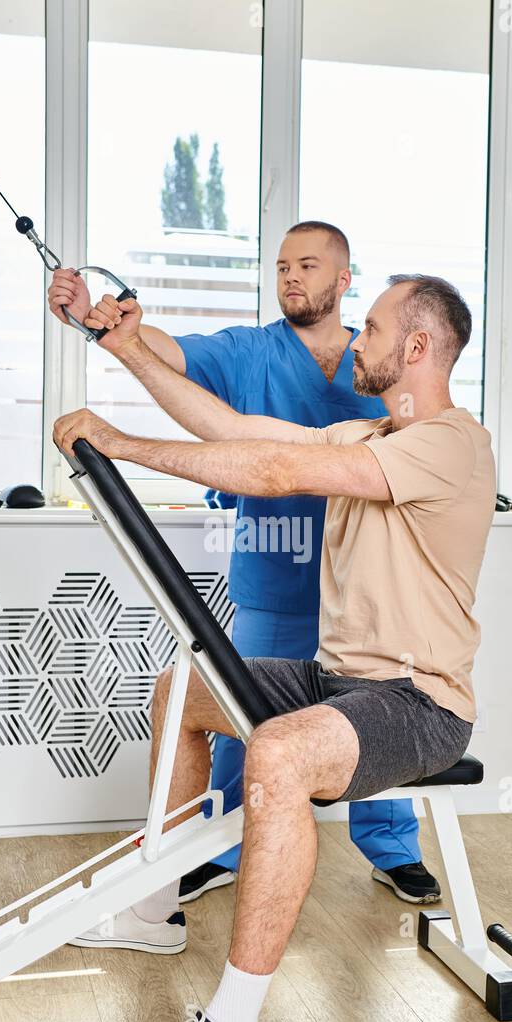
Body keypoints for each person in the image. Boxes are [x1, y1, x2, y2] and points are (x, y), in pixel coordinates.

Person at [53, 273, 495, 1022]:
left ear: (416, 347)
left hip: (420, 701)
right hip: (338, 679)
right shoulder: (368, 431)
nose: (352, 342)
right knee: (186, 687)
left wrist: (125, 446)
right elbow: (232, 428)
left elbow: (280, 468)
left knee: (279, 754)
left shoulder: (450, 443)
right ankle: (154, 908)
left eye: (368, 328)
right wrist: (126, 349)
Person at [48, 223, 437, 944]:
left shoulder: (376, 362)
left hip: (364, 587)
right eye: (282, 266)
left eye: (308, 265)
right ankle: (216, 846)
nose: (291, 277)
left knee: (379, 718)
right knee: (236, 714)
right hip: (274, 574)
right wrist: (103, 324)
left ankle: (393, 849)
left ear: (345, 278)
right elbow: (171, 355)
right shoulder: (249, 351)